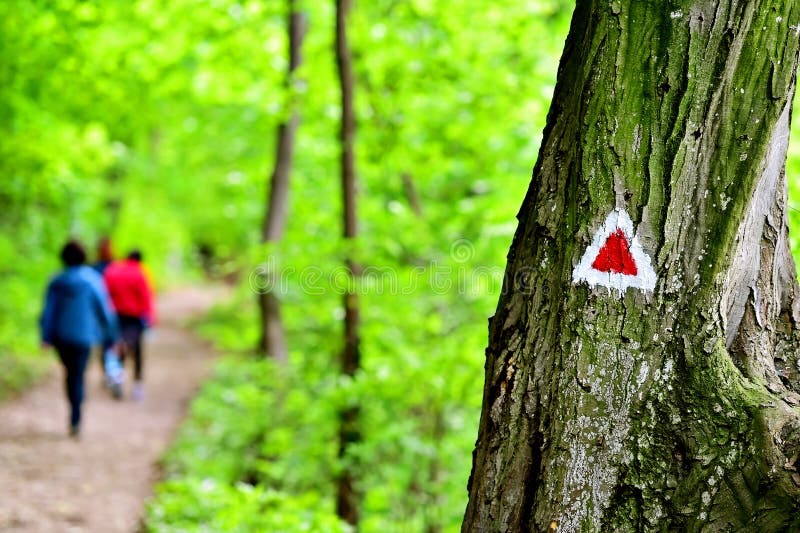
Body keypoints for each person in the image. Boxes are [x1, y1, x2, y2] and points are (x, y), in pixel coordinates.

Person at [40, 240, 119, 438]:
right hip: (84, 337)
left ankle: (74, 409)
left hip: (62, 337)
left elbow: (48, 312)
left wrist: (46, 336)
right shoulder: (93, 280)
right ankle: (76, 414)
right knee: (78, 374)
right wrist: (111, 335)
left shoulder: (57, 281)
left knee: (71, 373)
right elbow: (104, 310)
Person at [103, 250, 156, 401]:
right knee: (136, 351)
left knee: (119, 348)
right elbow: (146, 297)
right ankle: (138, 385)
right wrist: (151, 320)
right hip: (134, 318)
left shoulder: (112, 271)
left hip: (116, 317)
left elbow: (105, 293)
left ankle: (117, 379)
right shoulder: (139, 273)